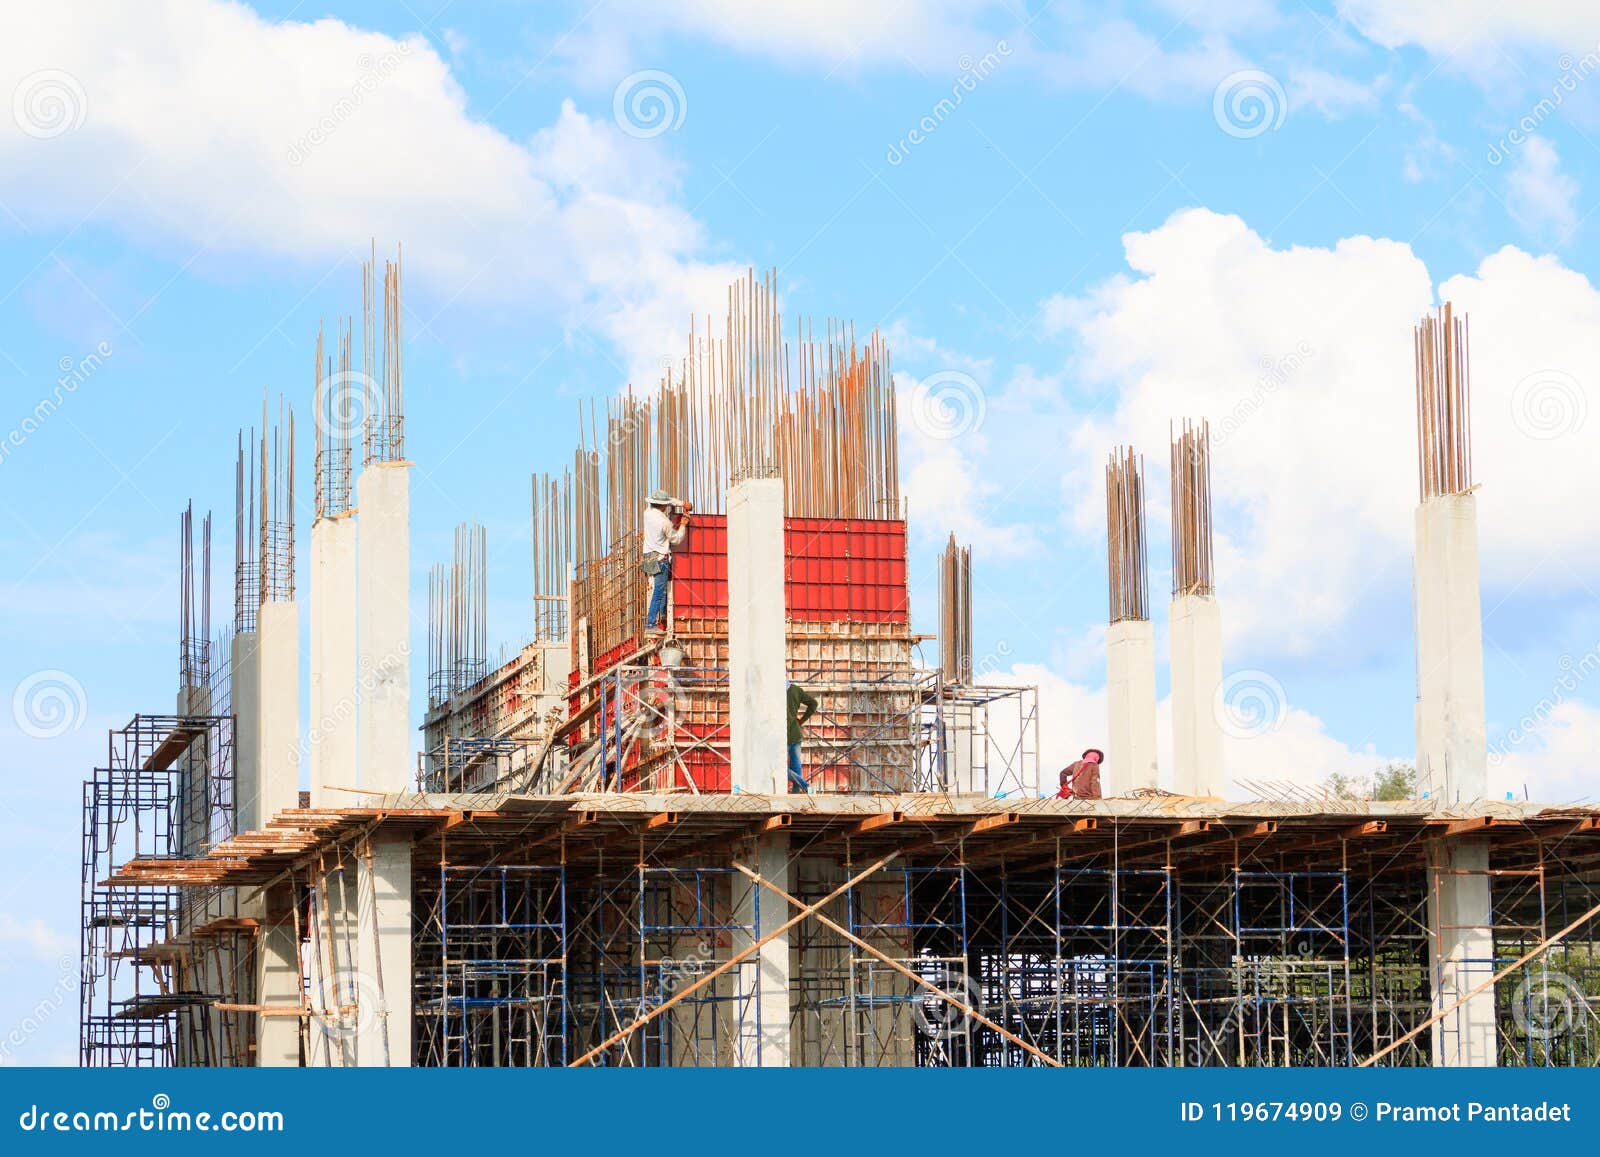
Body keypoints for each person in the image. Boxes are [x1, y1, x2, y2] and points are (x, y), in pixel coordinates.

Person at [642, 489, 690, 632]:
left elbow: (667, 501)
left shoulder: (647, 513)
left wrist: (682, 504)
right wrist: (683, 524)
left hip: (648, 556)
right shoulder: (665, 522)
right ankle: (650, 624)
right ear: (664, 506)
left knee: (661, 589)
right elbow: (676, 539)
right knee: (659, 590)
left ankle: (663, 615)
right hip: (660, 558)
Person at [786, 681, 818, 793]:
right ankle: (796, 795)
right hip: (795, 734)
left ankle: (805, 786)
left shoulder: (773, 691)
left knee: (778, 767)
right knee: (796, 766)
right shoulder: (796, 690)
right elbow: (814, 703)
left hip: (782, 735)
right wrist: (802, 721)